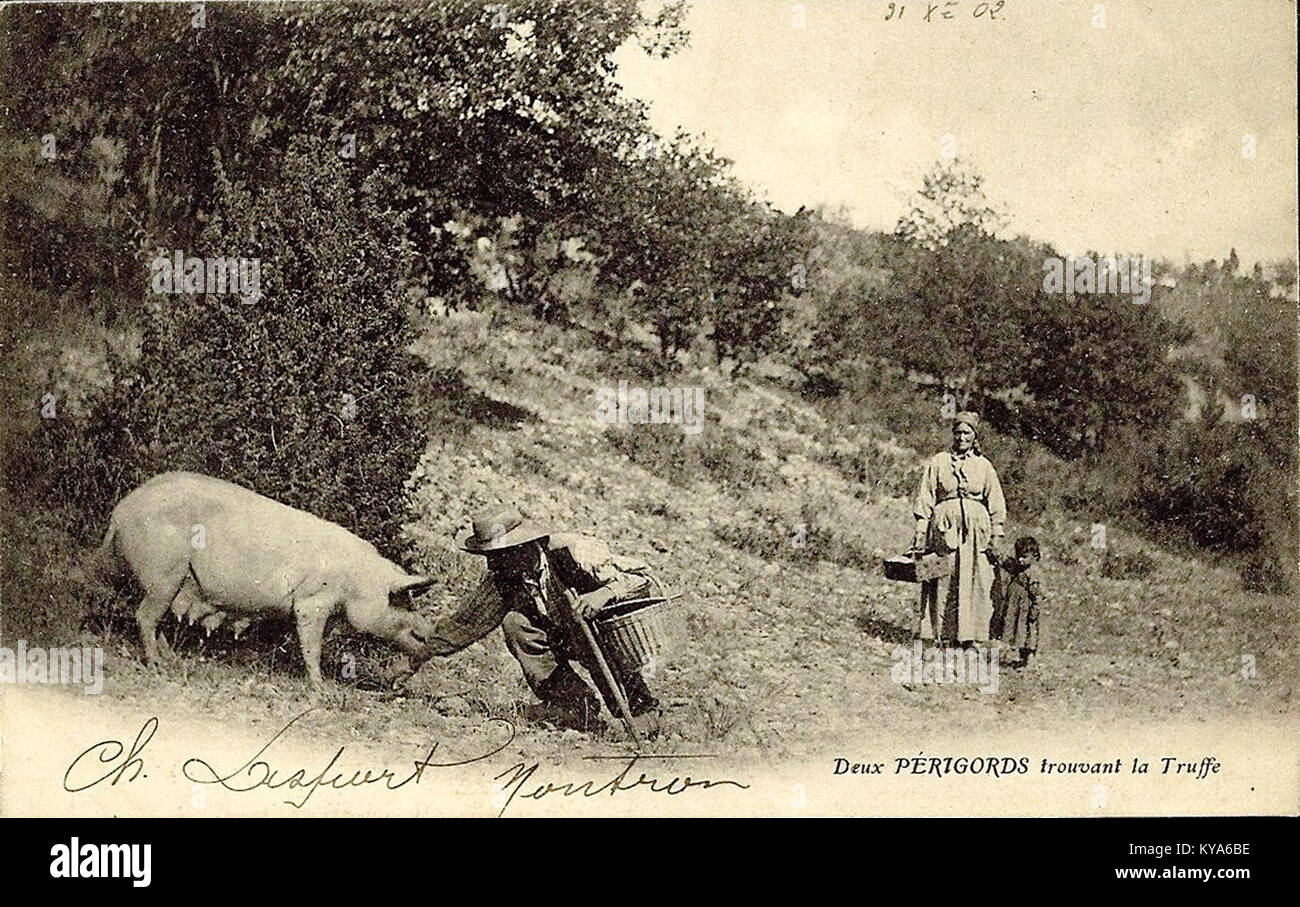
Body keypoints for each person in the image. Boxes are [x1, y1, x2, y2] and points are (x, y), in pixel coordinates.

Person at [421, 503, 661, 731]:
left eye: (499, 554)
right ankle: (575, 706)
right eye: (488, 556)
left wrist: (602, 594)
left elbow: (642, 578)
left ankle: (640, 709)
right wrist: (418, 653)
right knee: (515, 623)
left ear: (524, 545)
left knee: (597, 632)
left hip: (601, 632)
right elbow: (466, 624)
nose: (492, 563)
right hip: (559, 634)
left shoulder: (574, 552)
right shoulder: (504, 575)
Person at [911, 411, 1007, 646]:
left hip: (976, 532)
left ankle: (969, 636)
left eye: (967, 433)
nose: (962, 437)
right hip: (945, 529)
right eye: (958, 432)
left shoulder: (984, 466)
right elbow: (926, 496)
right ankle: (938, 633)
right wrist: (921, 530)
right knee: (944, 576)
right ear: (952, 435)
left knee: (974, 579)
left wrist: (996, 534)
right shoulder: (939, 461)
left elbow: (995, 501)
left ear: (975, 437)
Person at [991, 535, 1043, 668]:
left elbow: (1037, 594)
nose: (1020, 560)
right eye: (1019, 556)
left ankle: (1029, 658)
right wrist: (994, 554)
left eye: (1024, 557)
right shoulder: (1017, 566)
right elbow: (1005, 562)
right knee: (1013, 629)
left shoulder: (1032, 573)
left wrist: (1035, 610)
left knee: (1027, 631)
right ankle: (1015, 655)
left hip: (1024, 608)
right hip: (1013, 607)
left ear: (1035, 557)